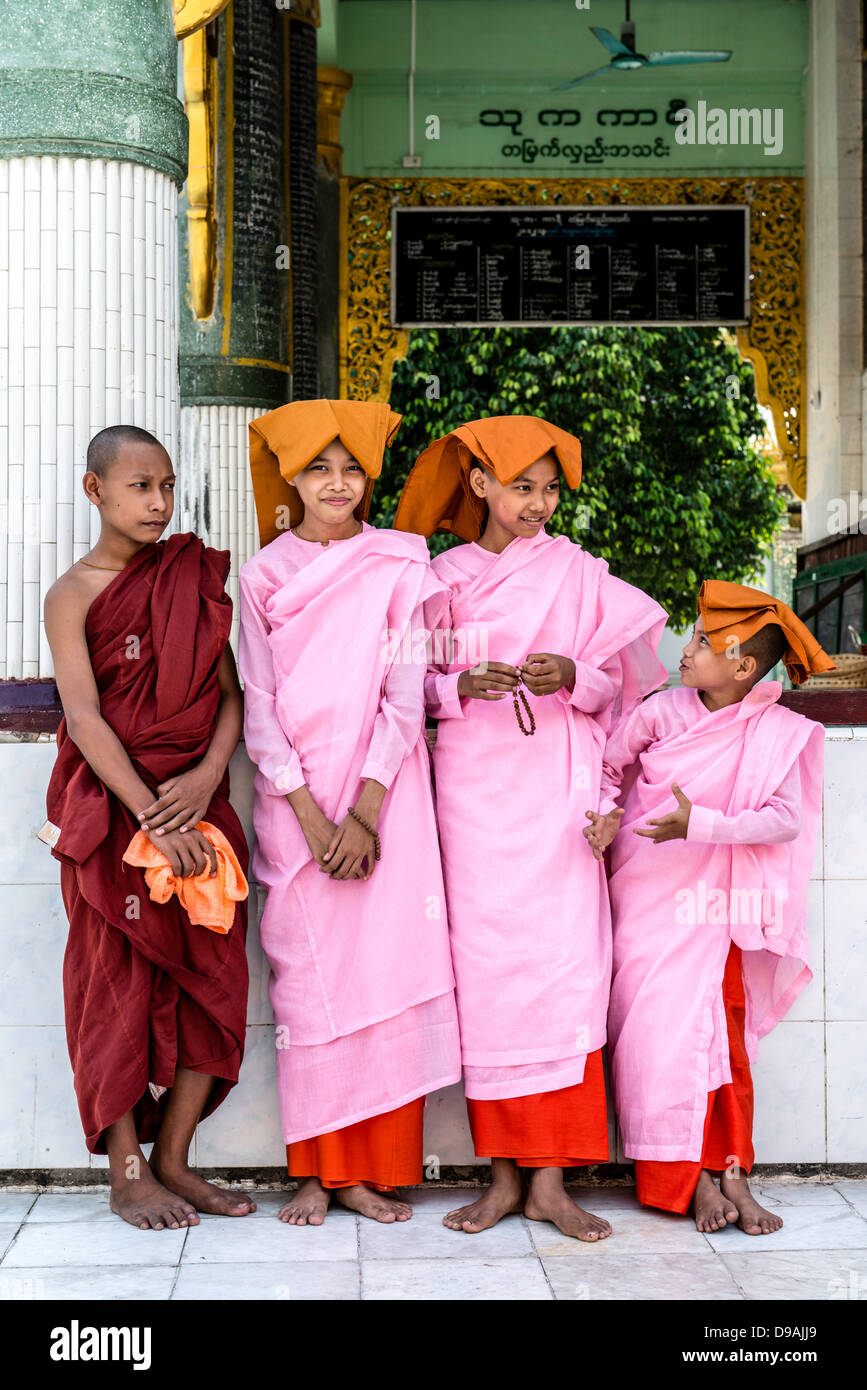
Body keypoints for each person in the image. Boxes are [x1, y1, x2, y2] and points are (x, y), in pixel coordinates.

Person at [394, 415, 667, 1240]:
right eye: (522, 487)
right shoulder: (436, 580)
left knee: (563, 975)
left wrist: (576, 673)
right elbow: (406, 688)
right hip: (474, 806)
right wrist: (457, 689)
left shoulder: (579, 574)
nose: (539, 505)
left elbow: (626, 688)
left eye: (549, 490)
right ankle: (502, 1176)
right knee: (490, 984)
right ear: (478, 483)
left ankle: (551, 1180)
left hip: (558, 803)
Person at [239, 399, 461, 1227]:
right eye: (319, 468)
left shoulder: (401, 564)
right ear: (291, 477)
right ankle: (314, 1168)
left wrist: (364, 810)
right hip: (294, 811)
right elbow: (259, 704)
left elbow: (406, 696)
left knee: (383, 974)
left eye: (352, 469)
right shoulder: (261, 576)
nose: (337, 484)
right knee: (309, 988)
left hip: (386, 798)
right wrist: (311, 814)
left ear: (370, 479)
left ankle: (370, 1168)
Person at [43, 425, 254, 1231]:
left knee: (215, 976)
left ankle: (175, 1157)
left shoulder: (190, 577)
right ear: (96, 490)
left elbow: (231, 697)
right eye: (139, 487)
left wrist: (204, 781)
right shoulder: (74, 593)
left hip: (198, 806)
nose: (158, 503)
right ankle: (127, 1168)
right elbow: (85, 718)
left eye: (165, 485)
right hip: (110, 811)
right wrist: (148, 816)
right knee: (114, 987)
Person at [586, 581, 833, 1234]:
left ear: (743, 667)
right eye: (692, 634)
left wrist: (702, 825)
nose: (687, 648)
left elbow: (781, 821)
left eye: (703, 641)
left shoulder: (770, 731)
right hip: (647, 902)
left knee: (721, 1047)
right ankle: (687, 1180)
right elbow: (608, 772)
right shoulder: (658, 712)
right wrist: (606, 820)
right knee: (656, 1040)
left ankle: (731, 1173)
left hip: (713, 911)